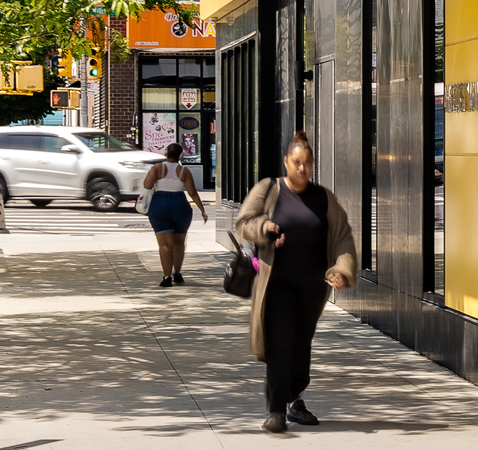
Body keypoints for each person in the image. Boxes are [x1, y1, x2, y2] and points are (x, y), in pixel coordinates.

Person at [235, 130, 356, 431]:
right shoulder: (269, 189)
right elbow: (243, 223)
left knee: (301, 343)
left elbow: (343, 237)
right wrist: (265, 227)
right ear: (286, 162)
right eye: (297, 162)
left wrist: (342, 270)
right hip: (277, 282)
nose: (303, 168)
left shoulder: (323, 197)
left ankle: (296, 401)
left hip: (312, 287)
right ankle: (276, 410)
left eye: (308, 163)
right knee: (280, 342)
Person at [144, 139, 205, 286]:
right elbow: (192, 192)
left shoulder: (157, 168)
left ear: (166, 154)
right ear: (180, 156)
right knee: (179, 242)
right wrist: (202, 210)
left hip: (160, 205)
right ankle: (177, 273)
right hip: (180, 205)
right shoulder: (184, 171)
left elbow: (147, 185)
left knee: (165, 245)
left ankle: (167, 277)